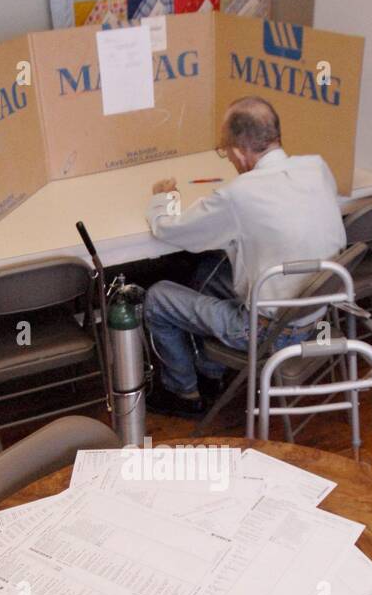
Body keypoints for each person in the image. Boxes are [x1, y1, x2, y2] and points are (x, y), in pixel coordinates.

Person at [143, 96, 346, 416]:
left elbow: (171, 230)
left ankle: (182, 393)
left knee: (157, 298)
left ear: (238, 151)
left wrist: (162, 200)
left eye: (225, 151)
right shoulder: (317, 168)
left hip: (270, 333)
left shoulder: (239, 195)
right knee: (210, 270)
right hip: (314, 313)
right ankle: (210, 374)